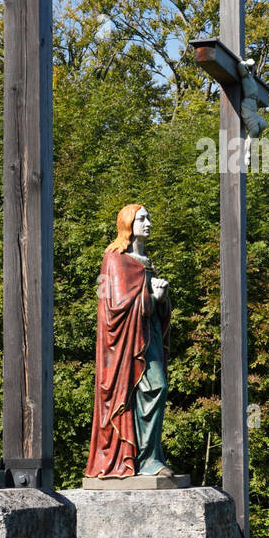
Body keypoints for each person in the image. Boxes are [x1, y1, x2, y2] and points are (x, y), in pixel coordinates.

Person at [85, 203, 174, 479]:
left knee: (156, 390)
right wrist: (152, 299)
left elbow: (153, 305)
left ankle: (150, 457)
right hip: (124, 343)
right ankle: (142, 460)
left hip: (150, 335)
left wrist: (162, 300)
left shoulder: (147, 261)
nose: (148, 223)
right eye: (141, 219)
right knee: (154, 388)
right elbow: (115, 305)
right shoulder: (114, 258)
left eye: (149, 218)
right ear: (127, 224)